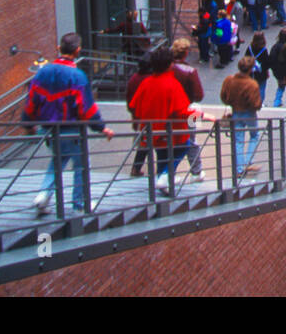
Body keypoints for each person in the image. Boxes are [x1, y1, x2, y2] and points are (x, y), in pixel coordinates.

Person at [24, 32, 114, 215]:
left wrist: (28, 123)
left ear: (59, 48)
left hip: (49, 128)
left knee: (58, 160)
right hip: (72, 128)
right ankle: (80, 202)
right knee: (81, 164)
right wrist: (100, 127)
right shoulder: (77, 76)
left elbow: (32, 100)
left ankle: (43, 194)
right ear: (78, 50)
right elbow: (86, 107)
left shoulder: (43, 72)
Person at [127, 46, 197, 197]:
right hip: (173, 131)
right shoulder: (171, 84)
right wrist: (201, 115)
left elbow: (134, 106)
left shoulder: (146, 83)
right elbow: (182, 110)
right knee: (183, 147)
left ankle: (163, 181)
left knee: (162, 154)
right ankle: (165, 177)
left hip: (152, 130)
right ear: (169, 64)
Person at [169, 38, 206, 182]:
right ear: (186, 53)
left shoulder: (166, 69)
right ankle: (197, 171)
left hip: (170, 110)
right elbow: (199, 95)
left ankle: (167, 172)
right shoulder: (190, 71)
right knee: (191, 139)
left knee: (171, 140)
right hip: (188, 109)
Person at [220, 56, 263, 178]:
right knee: (254, 135)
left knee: (238, 140)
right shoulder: (252, 84)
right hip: (249, 113)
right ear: (250, 69)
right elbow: (256, 104)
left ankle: (239, 169)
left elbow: (223, 96)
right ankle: (248, 161)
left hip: (235, 112)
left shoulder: (229, 80)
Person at [267, 26, 286, 107]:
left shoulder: (275, 47)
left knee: (281, 86)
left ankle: (277, 101)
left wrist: (275, 70)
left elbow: (271, 59)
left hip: (278, 72)